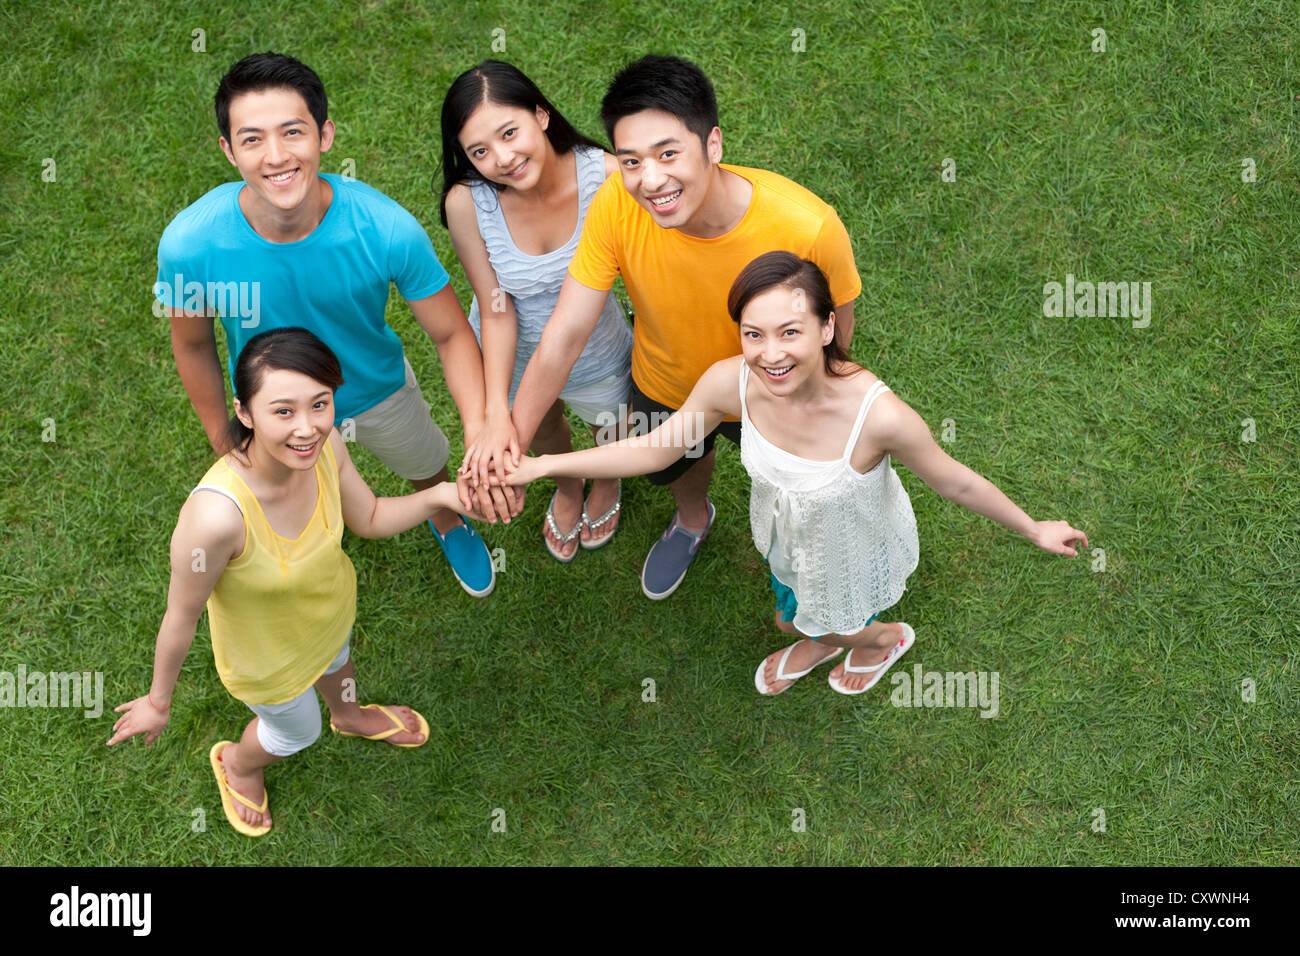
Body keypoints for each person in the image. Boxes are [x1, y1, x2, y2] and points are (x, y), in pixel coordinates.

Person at [494, 253, 1089, 696]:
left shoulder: (877, 416)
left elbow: (954, 481)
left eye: (789, 332)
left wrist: (1033, 527)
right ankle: (821, 635)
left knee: (800, 617)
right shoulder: (733, 381)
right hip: (786, 540)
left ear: (827, 328)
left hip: (849, 550)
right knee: (792, 609)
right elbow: (655, 449)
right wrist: (545, 464)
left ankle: (884, 640)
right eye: (753, 334)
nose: (769, 353)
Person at [499, 54, 862, 600]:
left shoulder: (808, 227)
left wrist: (808, 410)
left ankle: (796, 549)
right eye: (631, 161)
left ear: (712, 144)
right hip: (666, 385)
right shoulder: (616, 205)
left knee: (787, 491)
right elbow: (566, 331)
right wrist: (513, 442)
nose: (651, 180)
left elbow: (838, 334)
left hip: (773, 395)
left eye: (668, 153)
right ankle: (693, 519)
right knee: (675, 469)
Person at [156, 51, 509, 598]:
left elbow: (451, 333)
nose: (276, 156)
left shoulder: (387, 228)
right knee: (295, 500)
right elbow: (193, 345)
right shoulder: (188, 245)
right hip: (271, 406)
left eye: (292, 132)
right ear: (228, 150)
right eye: (252, 139)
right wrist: (223, 438)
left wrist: (478, 427)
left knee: (425, 463)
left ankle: (443, 517)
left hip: (376, 390)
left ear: (325, 135)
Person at [108, 328, 482, 836]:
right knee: (296, 732)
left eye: (320, 404)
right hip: (268, 663)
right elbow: (181, 616)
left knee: (339, 667)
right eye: (283, 411)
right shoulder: (216, 518)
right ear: (245, 412)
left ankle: (349, 716)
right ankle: (240, 762)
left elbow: (369, 515)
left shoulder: (325, 451)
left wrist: (443, 496)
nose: (306, 428)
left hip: (329, 616)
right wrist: (157, 702)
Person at [439, 61, 633, 562]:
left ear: (542, 116)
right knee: (544, 433)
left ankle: (606, 487)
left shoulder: (610, 179)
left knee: (608, 426)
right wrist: (497, 411)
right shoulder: (467, 202)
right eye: (479, 150)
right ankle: (568, 489)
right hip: (513, 355)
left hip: (595, 351)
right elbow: (495, 306)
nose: (502, 158)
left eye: (509, 133)